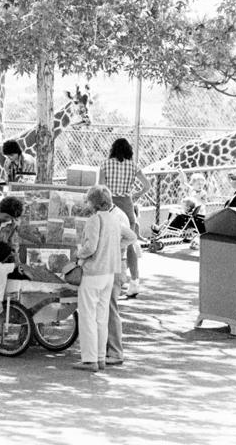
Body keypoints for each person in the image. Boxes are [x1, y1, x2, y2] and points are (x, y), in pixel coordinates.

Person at [74, 185, 137, 372]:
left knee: (87, 317)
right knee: (102, 316)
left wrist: (79, 255)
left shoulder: (94, 220)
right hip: (109, 272)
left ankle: (89, 359)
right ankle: (101, 357)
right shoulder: (113, 219)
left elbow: (90, 247)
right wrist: (114, 249)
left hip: (93, 272)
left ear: (93, 202)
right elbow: (131, 236)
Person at [99, 138, 150, 298]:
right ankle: (134, 282)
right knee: (130, 244)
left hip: (111, 205)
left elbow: (101, 187)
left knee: (107, 244)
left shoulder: (106, 165)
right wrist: (136, 194)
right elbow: (147, 185)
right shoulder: (133, 166)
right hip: (127, 205)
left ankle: (109, 282)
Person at [105, 202, 135, 366]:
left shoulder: (116, 217)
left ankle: (115, 351)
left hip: (115, 265)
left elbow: (130, 237)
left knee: (110, 307)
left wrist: (114, 248)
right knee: (107, 306)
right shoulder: (114, 215)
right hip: (113, 263)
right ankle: (108, 349)